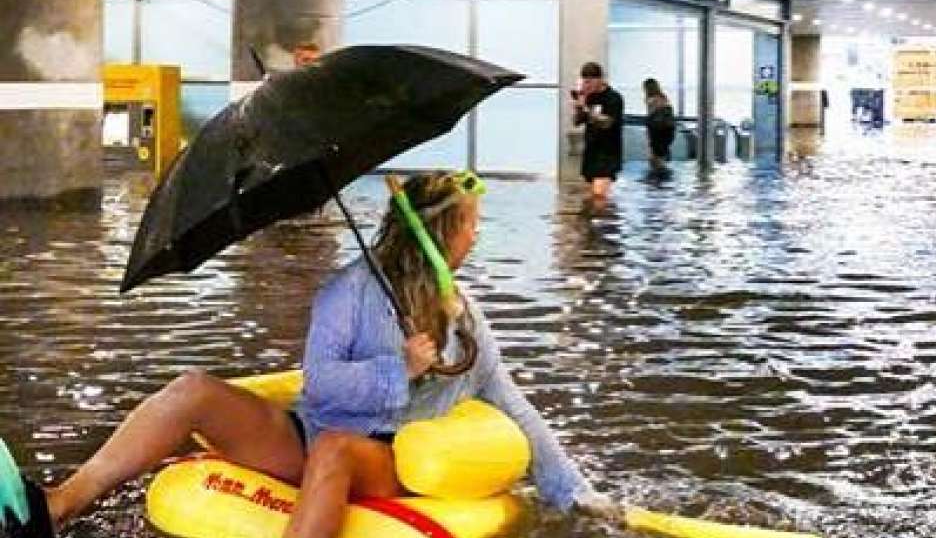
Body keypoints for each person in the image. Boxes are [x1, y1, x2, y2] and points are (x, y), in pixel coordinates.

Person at [0, 171, 620, 538]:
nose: (478, 233)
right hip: (312, 429)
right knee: (192, 388)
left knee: (333, 449)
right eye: (471, 224)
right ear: (440, 235)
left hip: (389, 456)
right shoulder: (348, 292)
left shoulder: (465, 317)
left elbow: (511, 403)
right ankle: (60, 503)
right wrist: (397, 368)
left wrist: (574, 493)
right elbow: (319, 387)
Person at [572, 62, 624, 203]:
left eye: (589, 82)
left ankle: (605, 223)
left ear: (599, 79)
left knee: (599, 197)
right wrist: (579, 107)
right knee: (590, 197)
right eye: (584, 82)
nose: (587, 85)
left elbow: (607, 123)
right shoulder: (589, 97)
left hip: (608, 154)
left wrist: (587, 110)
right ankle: (593, 224)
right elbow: (577, 122)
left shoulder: (614, 98)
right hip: (591, 153)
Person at [642, 78, 676, 174]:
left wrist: (649, 136)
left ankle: (658, 176)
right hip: (668, 131)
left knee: (654, 158)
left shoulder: (651, 100)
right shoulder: (664, 99)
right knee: (660, 155)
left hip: (657, 131)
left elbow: (651, 118)